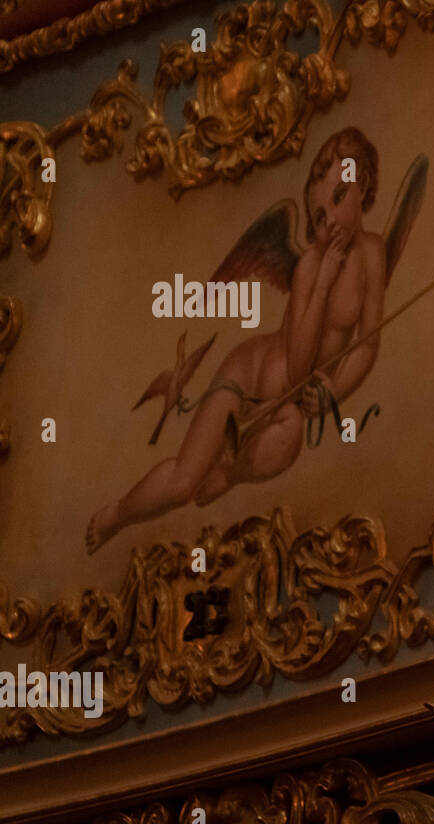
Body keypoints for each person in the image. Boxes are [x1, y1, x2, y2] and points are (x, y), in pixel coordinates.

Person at [86, 128, 387, 554]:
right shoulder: (310, 268)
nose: (331, 220)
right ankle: (118, 514)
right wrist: (324, 280)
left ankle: (232, 471)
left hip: (285, 405)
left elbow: (368, 343)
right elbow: (300, 367)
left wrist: (335, 390)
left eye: (340, 196)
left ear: (365, 188)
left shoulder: (373, 255)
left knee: (289, 437)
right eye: (319, 217)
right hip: (249, 375)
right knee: (185, 481)